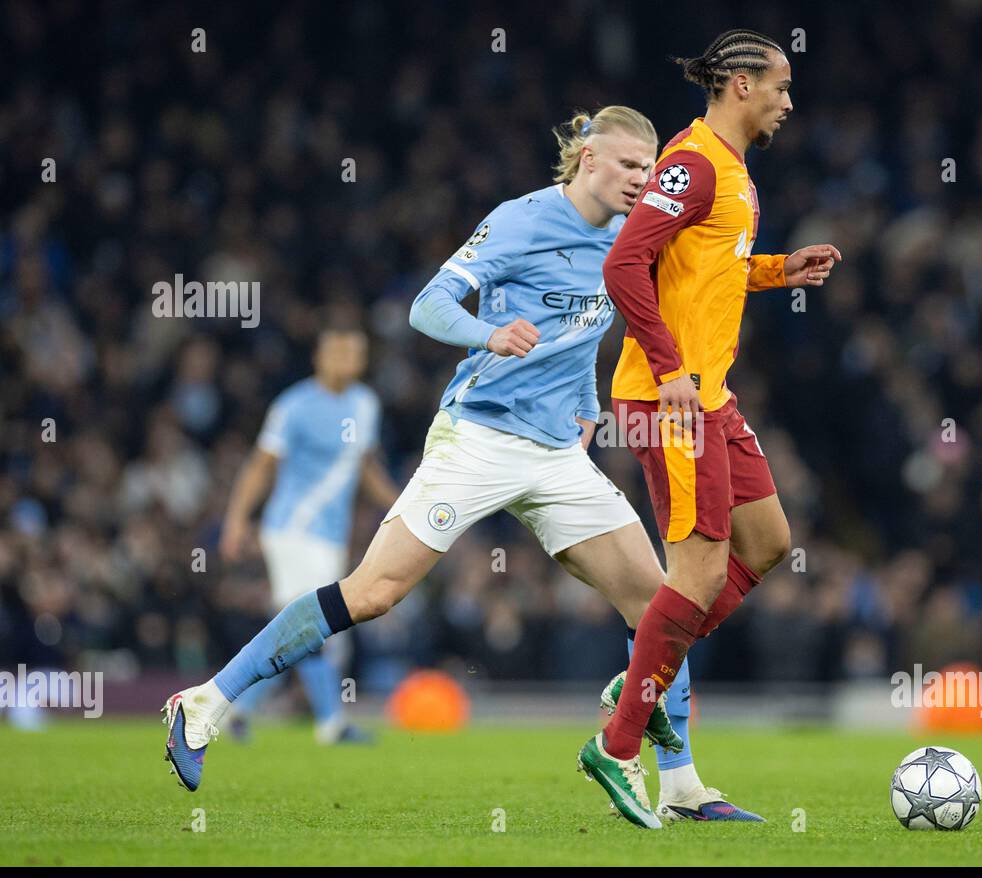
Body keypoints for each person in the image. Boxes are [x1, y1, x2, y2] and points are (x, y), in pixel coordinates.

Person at [162, 105, 761, 827]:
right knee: (375, 591)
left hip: (554, 454)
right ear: (589, 159)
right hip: (478, 437)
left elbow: (586, 335)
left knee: (663, 604)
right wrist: (487, 333)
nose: (646, 178)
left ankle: (683, 785)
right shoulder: (520, 220)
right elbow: (427, 306)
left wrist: (585, 406)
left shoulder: (632, 242)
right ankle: (204, 703)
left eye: (651, 166)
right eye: (632, 165)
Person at [578, 29, 842, 826]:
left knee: (767, 543)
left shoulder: (732, 172)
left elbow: (704, 271)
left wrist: (777, 270)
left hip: (711, 398)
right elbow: (623, 265)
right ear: (738, 86)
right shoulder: (691, 164)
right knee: (694, 575)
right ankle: (618, 749)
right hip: (671, 404)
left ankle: (642, 679)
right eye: (780, 87)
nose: (789, 103)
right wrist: (668, 372)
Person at [217, 323, 399, 744]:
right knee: (315, 629)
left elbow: (365, 467)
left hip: (330, 537)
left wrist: (404, 507)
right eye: (337, 351)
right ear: (318, 356)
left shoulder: (366, 404)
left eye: (354, 352)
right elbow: (261, 465)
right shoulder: (293, 406)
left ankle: (236, 709)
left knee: (305, 632)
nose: (346, 360)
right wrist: (236, 520)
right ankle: (330, 724)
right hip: (291, 530)